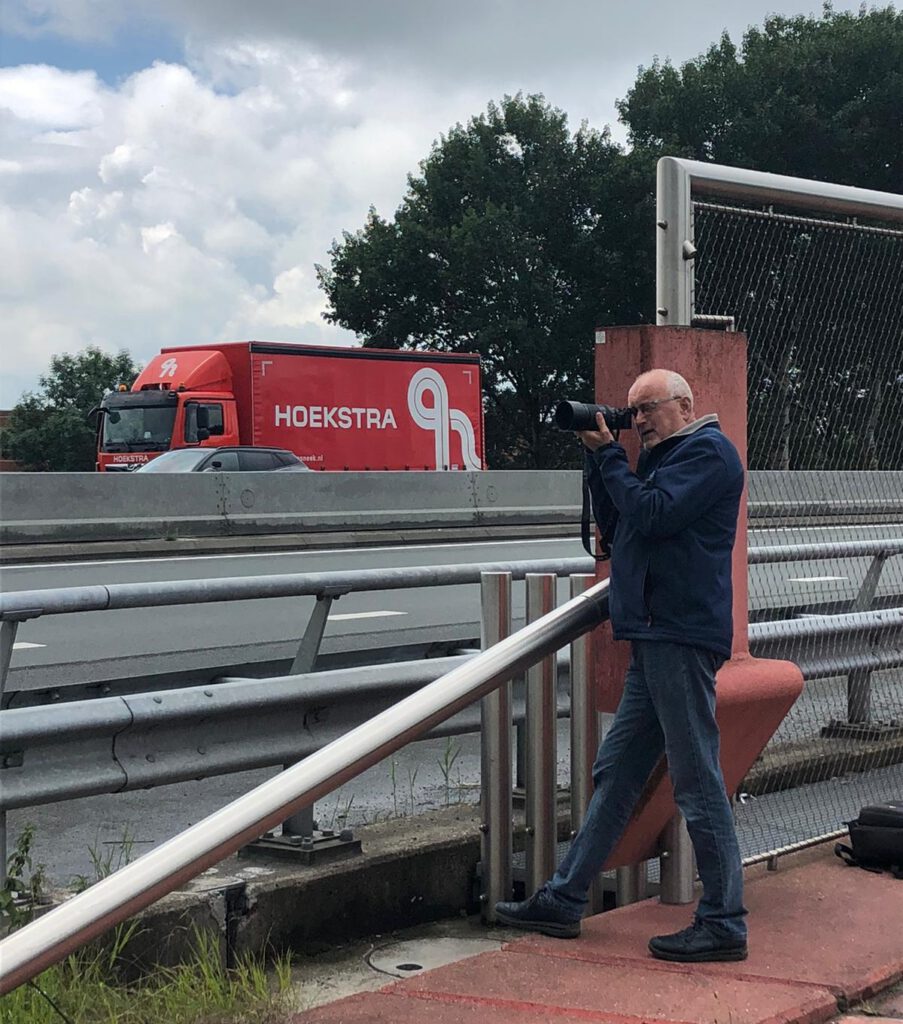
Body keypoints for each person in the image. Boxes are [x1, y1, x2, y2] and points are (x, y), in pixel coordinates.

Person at [495, 368, 748, 963]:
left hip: (680, 636)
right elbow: (622, 528)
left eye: (648, 410)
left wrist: (612, 456)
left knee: (696, 778)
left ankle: (724, 921)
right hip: (653, 635)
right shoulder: (663, 457)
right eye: (632, 413)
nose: (638, 422)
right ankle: (564, 897)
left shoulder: (709, 453)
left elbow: (656, 516)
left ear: (684, 404)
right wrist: (598, 465)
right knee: (617, 773)